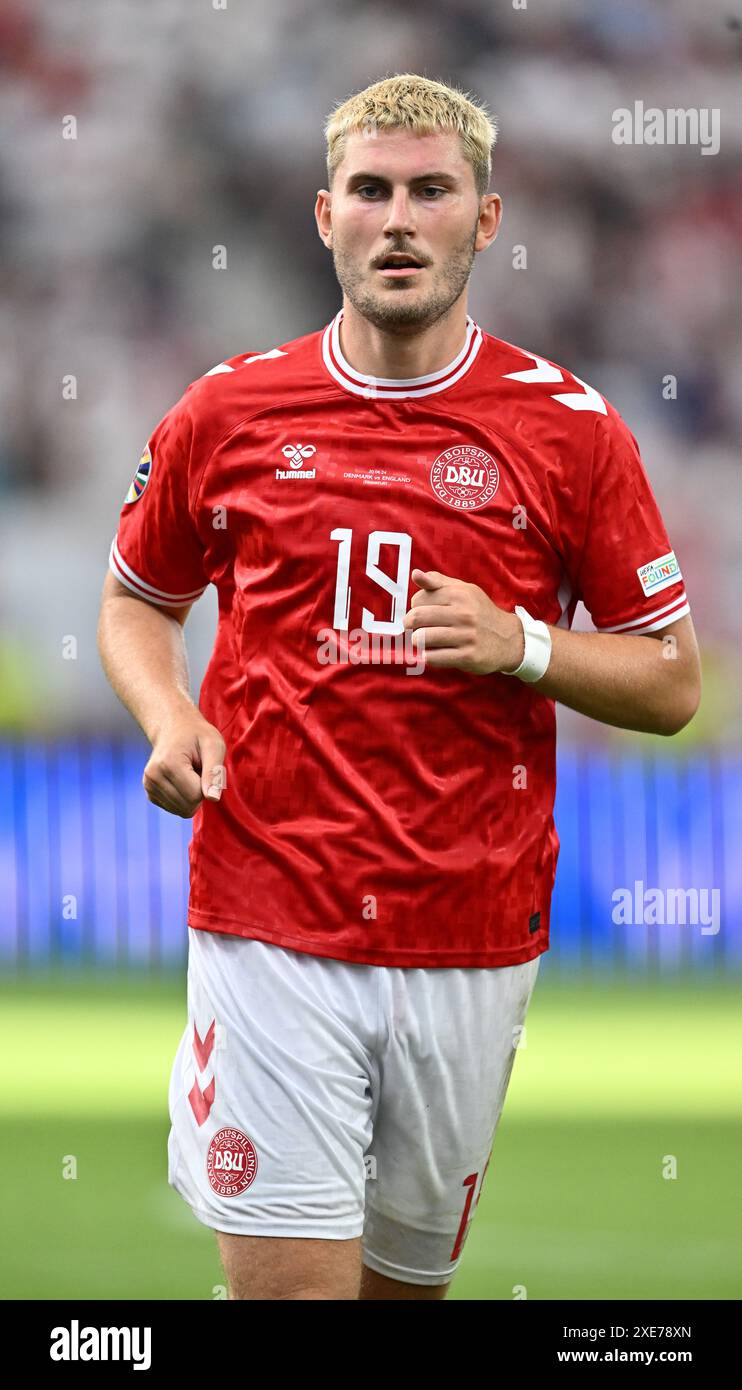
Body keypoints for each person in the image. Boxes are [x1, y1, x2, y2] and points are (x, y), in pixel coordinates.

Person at [97, 72, 701, 1301]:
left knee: (400, 1292)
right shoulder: (227, 409)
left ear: (485, 219)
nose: (399, 220)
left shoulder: (571, 430)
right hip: (269, 912)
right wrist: (170, 715)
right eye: (370, 191)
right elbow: (136, 598)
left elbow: (672, 679)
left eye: (431, 191)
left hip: (472, 934)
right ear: (327, 216)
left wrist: (521, 642)